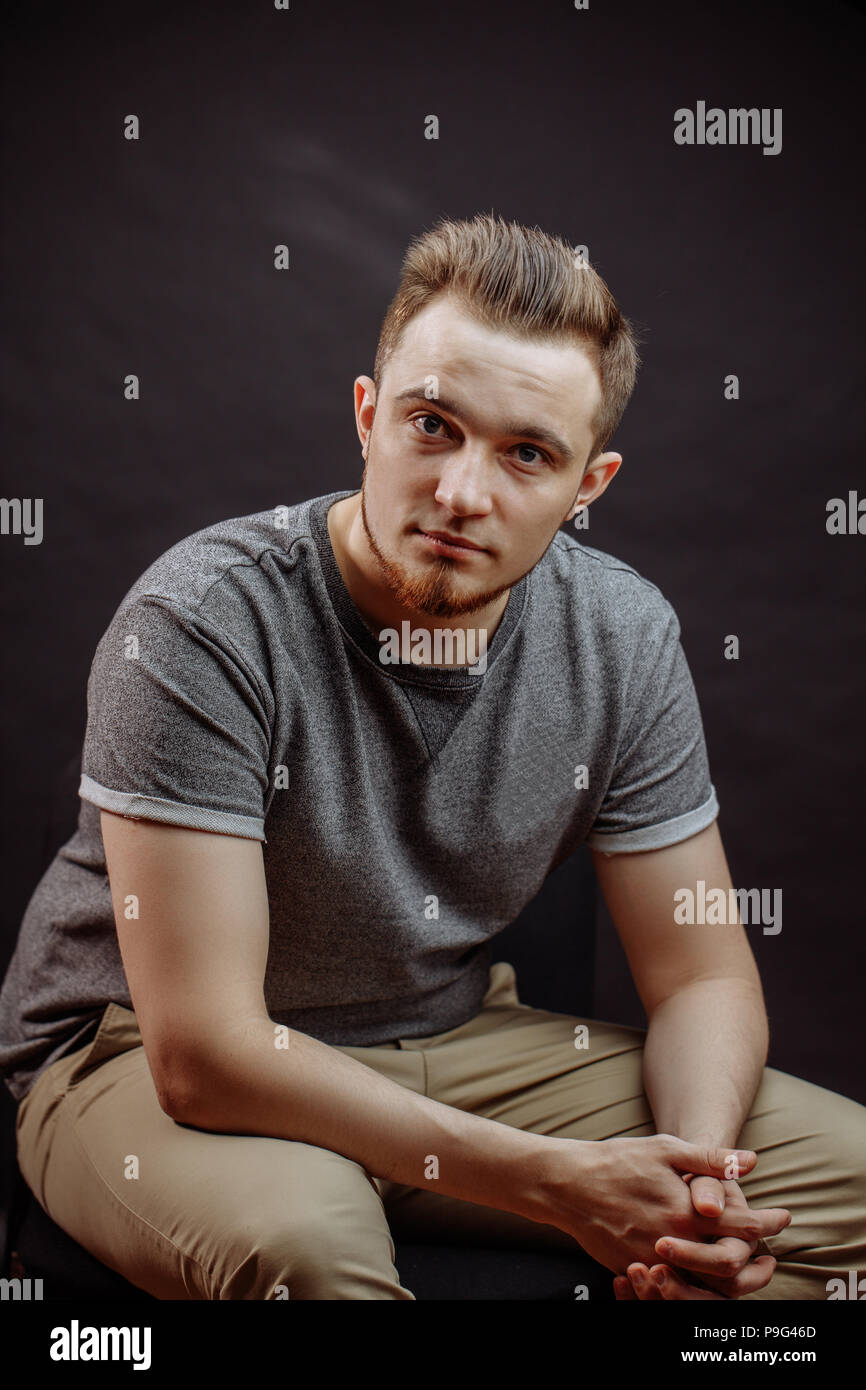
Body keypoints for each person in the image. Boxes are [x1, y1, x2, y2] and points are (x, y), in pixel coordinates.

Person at [1, 213, 864, 1302]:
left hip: (448, 1042)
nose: (462, 493)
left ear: (587, 484)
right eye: (431, 425)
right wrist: (558, 1184)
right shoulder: (204, 617)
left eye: (526, 454)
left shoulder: (622, 636)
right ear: (368, 416)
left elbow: (696, 973)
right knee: (304, 1247)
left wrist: (682, 1194)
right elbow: (205, 1052)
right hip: (141, 1060)